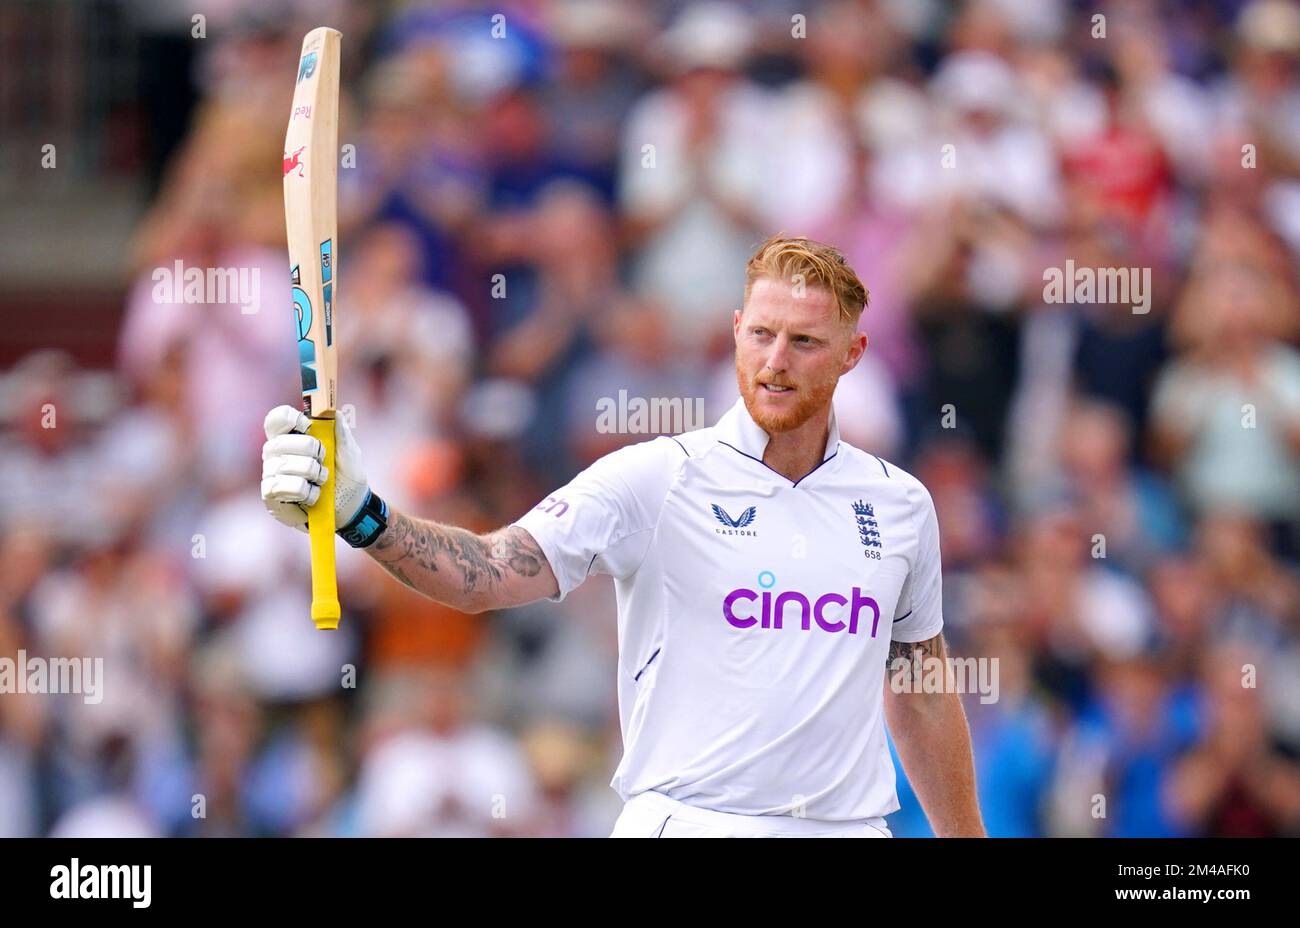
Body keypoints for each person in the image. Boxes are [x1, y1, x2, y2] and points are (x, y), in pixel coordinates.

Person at [260, 235, 985, 838]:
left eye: (804, 342)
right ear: (737, 329)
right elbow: (489, 570)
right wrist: (361, 513)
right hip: (691, 823)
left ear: (854, 353)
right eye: (762, 335)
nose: (775, 361)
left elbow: (920, 692)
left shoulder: (900, 506)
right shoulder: (657, 477)